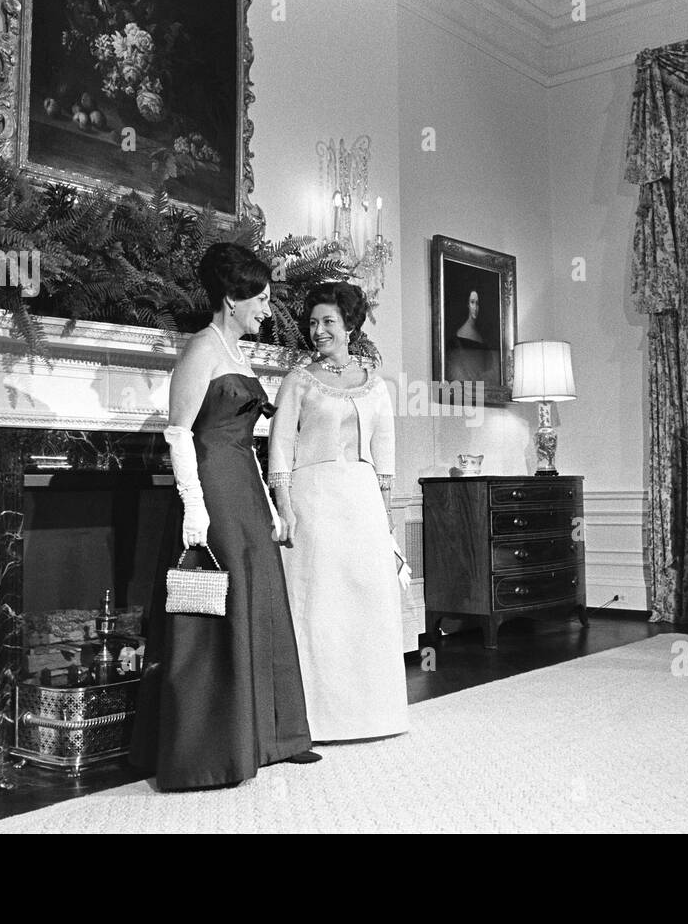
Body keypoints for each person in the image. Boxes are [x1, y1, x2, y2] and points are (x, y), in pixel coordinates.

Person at [130, 243, 320, 790]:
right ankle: (215, 749)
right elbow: (179, 433)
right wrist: (193, 506)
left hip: (244, 488)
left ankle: (272, 738)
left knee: (258, 600)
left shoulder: (238, 355)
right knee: (218, 608)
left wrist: (267, 498)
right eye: (260, 299)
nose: (267, 309)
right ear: (231, 299)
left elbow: (246, 440)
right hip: (211, 489)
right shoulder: (200, 350)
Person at [268, 283, 410, 740]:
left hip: (363, 501)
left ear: (350, 326)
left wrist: (386, 520)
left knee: (369, 600)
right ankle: (317, 719)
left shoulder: (374, 384)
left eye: (328, 321)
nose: (318, 331)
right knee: (320, 606)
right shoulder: (298, 380)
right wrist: (284, 505)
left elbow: (384, 455)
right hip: (315, 500)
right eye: (313, 323)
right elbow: (280, 447)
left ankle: (376, 714)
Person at [445, 289, 500, 385]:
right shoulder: (459, 337)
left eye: (477, 303)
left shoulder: (482, 335)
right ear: (467, 305)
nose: (475, 307)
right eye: (472, 302)